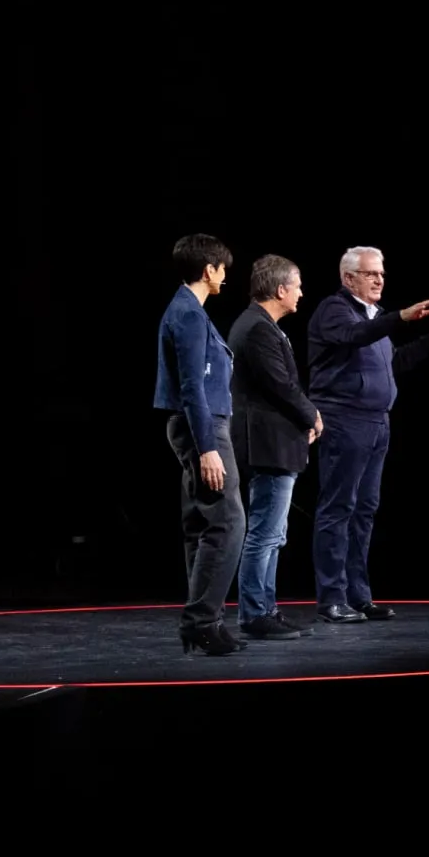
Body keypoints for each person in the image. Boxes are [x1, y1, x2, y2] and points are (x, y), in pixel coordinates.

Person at [303, 245, 429, 623]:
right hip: (345, 421)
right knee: (338, 508)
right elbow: (355, 337)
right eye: (370, 273)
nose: (379, 279)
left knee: (365, 511)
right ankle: (332, 598)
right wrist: (400, 317)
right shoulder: (335, 310)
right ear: (348, 278)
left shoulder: (374, 317)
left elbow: (392, 363)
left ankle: (359, 596)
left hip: (378, 422)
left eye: (381, 273)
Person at [151, 233, 246, 658]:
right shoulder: (188, 314)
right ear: (210, 270)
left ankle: (206, 623)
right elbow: (192, 386)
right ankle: (201, 621)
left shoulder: (189, 311)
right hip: (202, 427)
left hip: (197, 425)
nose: (225, 276)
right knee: (228, 522)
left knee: (203, 526)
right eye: (223, 269)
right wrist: (207, 447)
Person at [226, 255, 319, 642]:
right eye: (297, 285)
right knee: (265, 532)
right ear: (280, 290)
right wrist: (312, 414)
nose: (301, 292)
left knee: (273, 532)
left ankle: (266, 608)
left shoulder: (263, 326)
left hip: (276, 444)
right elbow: (280, 385)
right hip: (268, 446)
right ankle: (255, 614)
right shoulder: (257, 329)